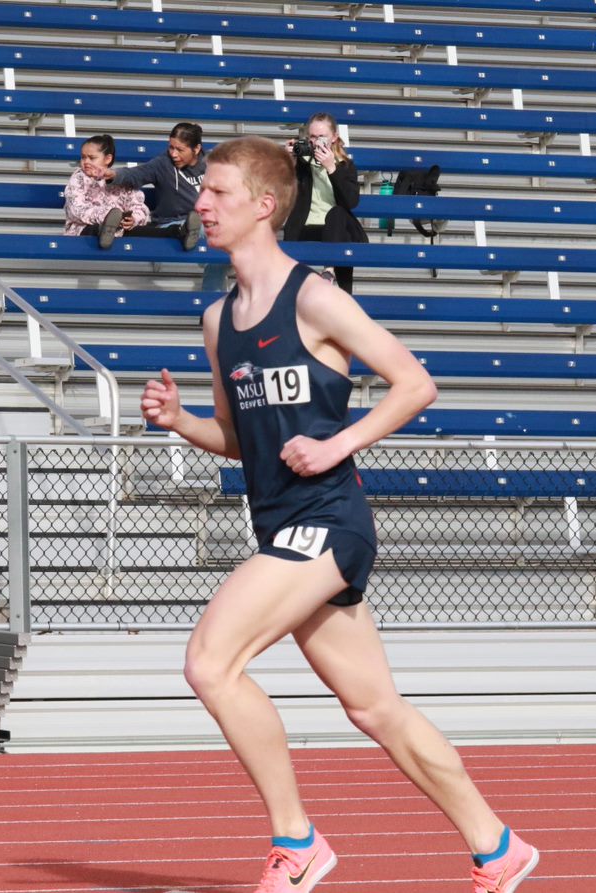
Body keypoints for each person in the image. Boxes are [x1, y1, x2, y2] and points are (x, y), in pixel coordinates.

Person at [139, 136, 538, 893]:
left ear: (263, 205)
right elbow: (241, 439)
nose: (202, 203)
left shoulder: (316, 297)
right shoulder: (218, 320)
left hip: (330, 519)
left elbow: (414, 383)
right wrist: (184, 421)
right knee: (375, 707)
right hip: (281, 525)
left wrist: (339, 445)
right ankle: (498, 846)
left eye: (218, 192)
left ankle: (298, 840)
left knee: (210, 662)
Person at [84, 121, 206, 251]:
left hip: (205, 221)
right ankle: (187, 231)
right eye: (171, 147)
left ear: (196, 149)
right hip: (172, 224)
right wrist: (113, 174)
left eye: (180, 150)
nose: (173, 154)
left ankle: (212, 269)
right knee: (215, 232)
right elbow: (136, 174)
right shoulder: (163, 164)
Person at [284, 112, 367, 294]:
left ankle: (330, 272)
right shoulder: (301, 164)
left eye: (322, 137)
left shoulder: (345, 165)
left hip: (337, 229)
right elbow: (280, 190)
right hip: (307, 228)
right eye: (312, 137)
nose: (316, 142)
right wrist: (288, 162)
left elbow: (351, 202)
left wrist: (331, 168)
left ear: (334, 138)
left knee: (336, 215)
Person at [63, 134, 151, 250]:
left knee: (148, 232)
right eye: (83, 157)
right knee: (94, 229)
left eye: (92, 158)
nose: (86, 162)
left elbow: (139, 206)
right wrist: (106, 217)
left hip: (121, 229)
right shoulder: (79, 178)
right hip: (84, 228)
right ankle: (105, 230)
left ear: (107, 159)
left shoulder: (120, 179)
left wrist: (133, 219)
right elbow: (77, 210)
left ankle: (177, 231)